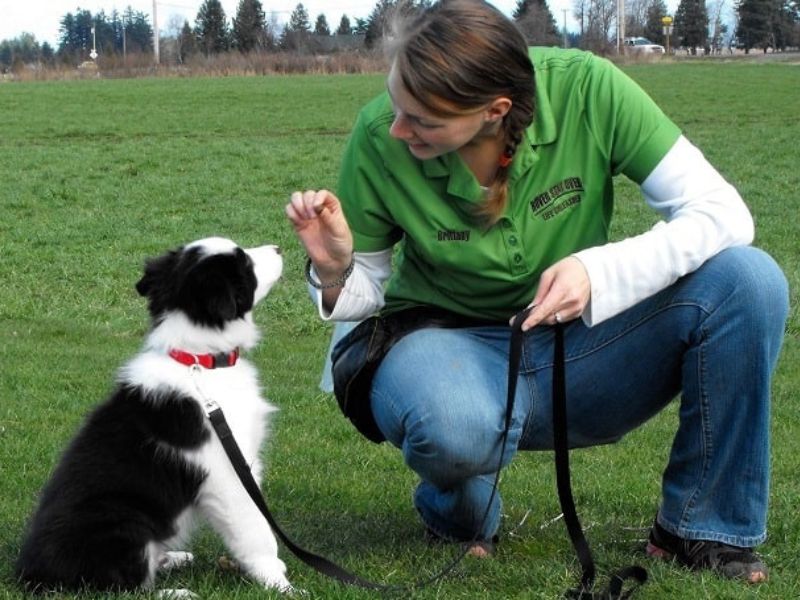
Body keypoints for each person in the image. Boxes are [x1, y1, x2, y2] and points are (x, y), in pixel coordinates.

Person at [285, 0, 788, 584]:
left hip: (583, 343)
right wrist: (335, 270)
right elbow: (365, 293)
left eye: (422, 119)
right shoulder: (379, 138)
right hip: (445, 345)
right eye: (398, 105)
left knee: (749, 282)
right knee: (454, 424)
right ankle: (460, 512)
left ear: (495, 111)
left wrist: (599, 272)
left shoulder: (590, 90)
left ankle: (701, 530)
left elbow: (722, 213)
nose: (398, 127)